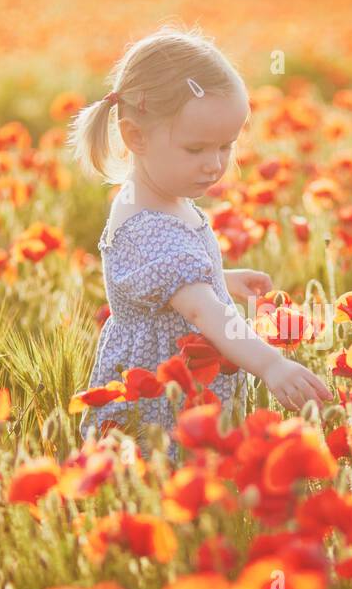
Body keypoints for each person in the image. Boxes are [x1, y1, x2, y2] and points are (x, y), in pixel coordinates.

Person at [67, 24, 334, 463]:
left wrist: (219, 277)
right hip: (163, 399)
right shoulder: (147, 225)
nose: (214, 165)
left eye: (226, 146)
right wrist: (270, 364)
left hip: (189, 379)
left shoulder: (161, 196)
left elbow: (169, 284)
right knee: (170, 481)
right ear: (136, 137)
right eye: (196, 150)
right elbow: (196, 307)